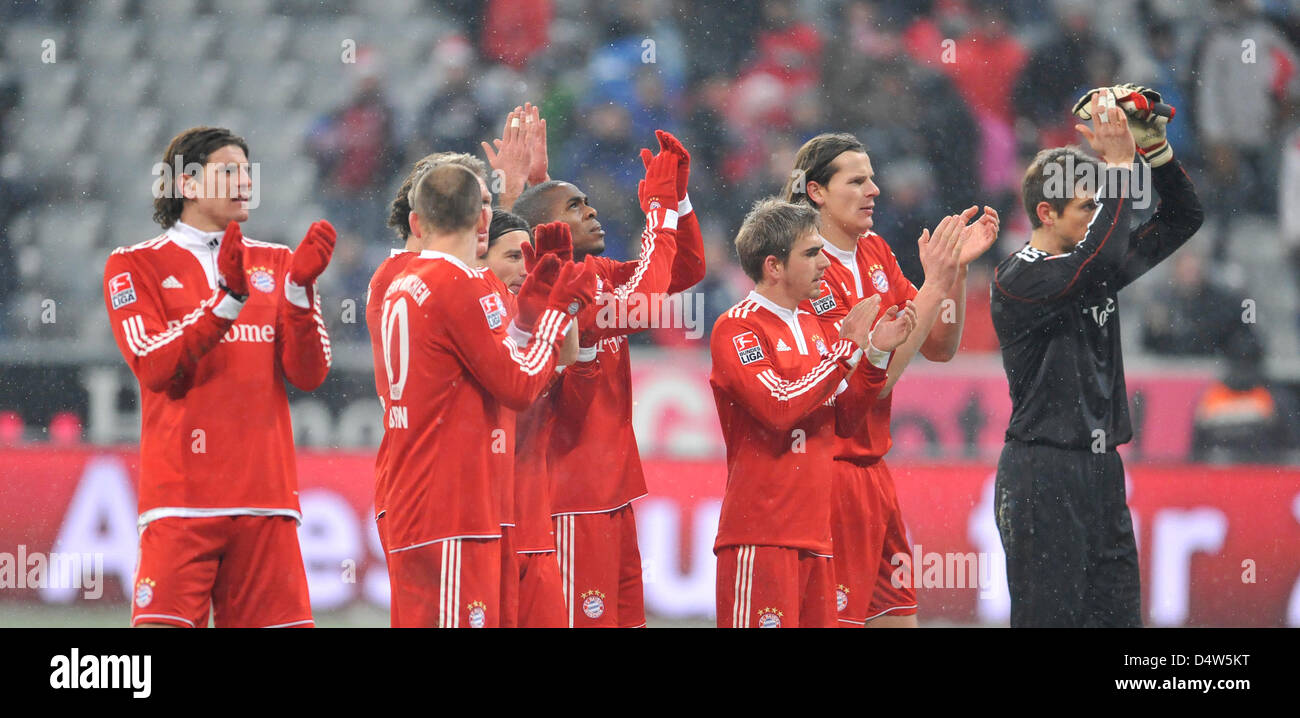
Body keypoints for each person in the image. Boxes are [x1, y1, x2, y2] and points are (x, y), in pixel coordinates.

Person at [104, 126, 336, 627]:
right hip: (181, 505)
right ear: (186, 184)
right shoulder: (132, 265)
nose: (244, 182)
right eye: (228, 171)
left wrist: (299, 294)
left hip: (267, 504)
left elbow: (309, 373)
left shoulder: (276, 262)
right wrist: (227, 300)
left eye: (247, 172)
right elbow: (154, 365)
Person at [991, 87, 1203, 627]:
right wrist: (1116, 168)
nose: (1097, 218)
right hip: (1044, 473)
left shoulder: (1094, 266)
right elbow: (1098, 257)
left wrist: (1154, 156)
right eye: (1087, 207)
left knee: (1118, 622)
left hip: (1101, 470)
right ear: (1046, 211)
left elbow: (1184, 218)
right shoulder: (1021, 279)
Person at [780, 132, 999, 627]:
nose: (874, 189)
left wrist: (955, 274)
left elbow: (939, 345)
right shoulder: (807, 268)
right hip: (828, 476)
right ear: (816, 192)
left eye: (873, 178)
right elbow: (869, 383)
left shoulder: (875, 251)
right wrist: (935, 283)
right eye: (856, 181)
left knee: (898, 620)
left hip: (874, 473)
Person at [375, 163, 594, 628]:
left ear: (418, 221)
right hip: (455, 505)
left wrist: (534, 297)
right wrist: (556, 313)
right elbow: (518, 385)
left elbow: (486, 355)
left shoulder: (399, 280)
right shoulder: (461, 283)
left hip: (414, 496)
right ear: (481, 223)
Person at [511, 131, 704, 627]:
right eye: (576, 206)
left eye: (589, 202)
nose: (592, 211)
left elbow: (684, 270)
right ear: (545, 229)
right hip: (572, 499)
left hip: (611, 493)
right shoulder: (557, 291)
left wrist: (679, 201)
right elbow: (650, 299)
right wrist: (658, 212)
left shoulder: (592, 271)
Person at [709, 198, 916, 628]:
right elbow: (779, 406)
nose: (825, 263)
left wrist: (876, 352)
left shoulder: (811, 326)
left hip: (817, 532)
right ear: (774, 266)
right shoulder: (737, 327)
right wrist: (847, 349)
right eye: (811, 253)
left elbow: (845, 417)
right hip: (761, 534)